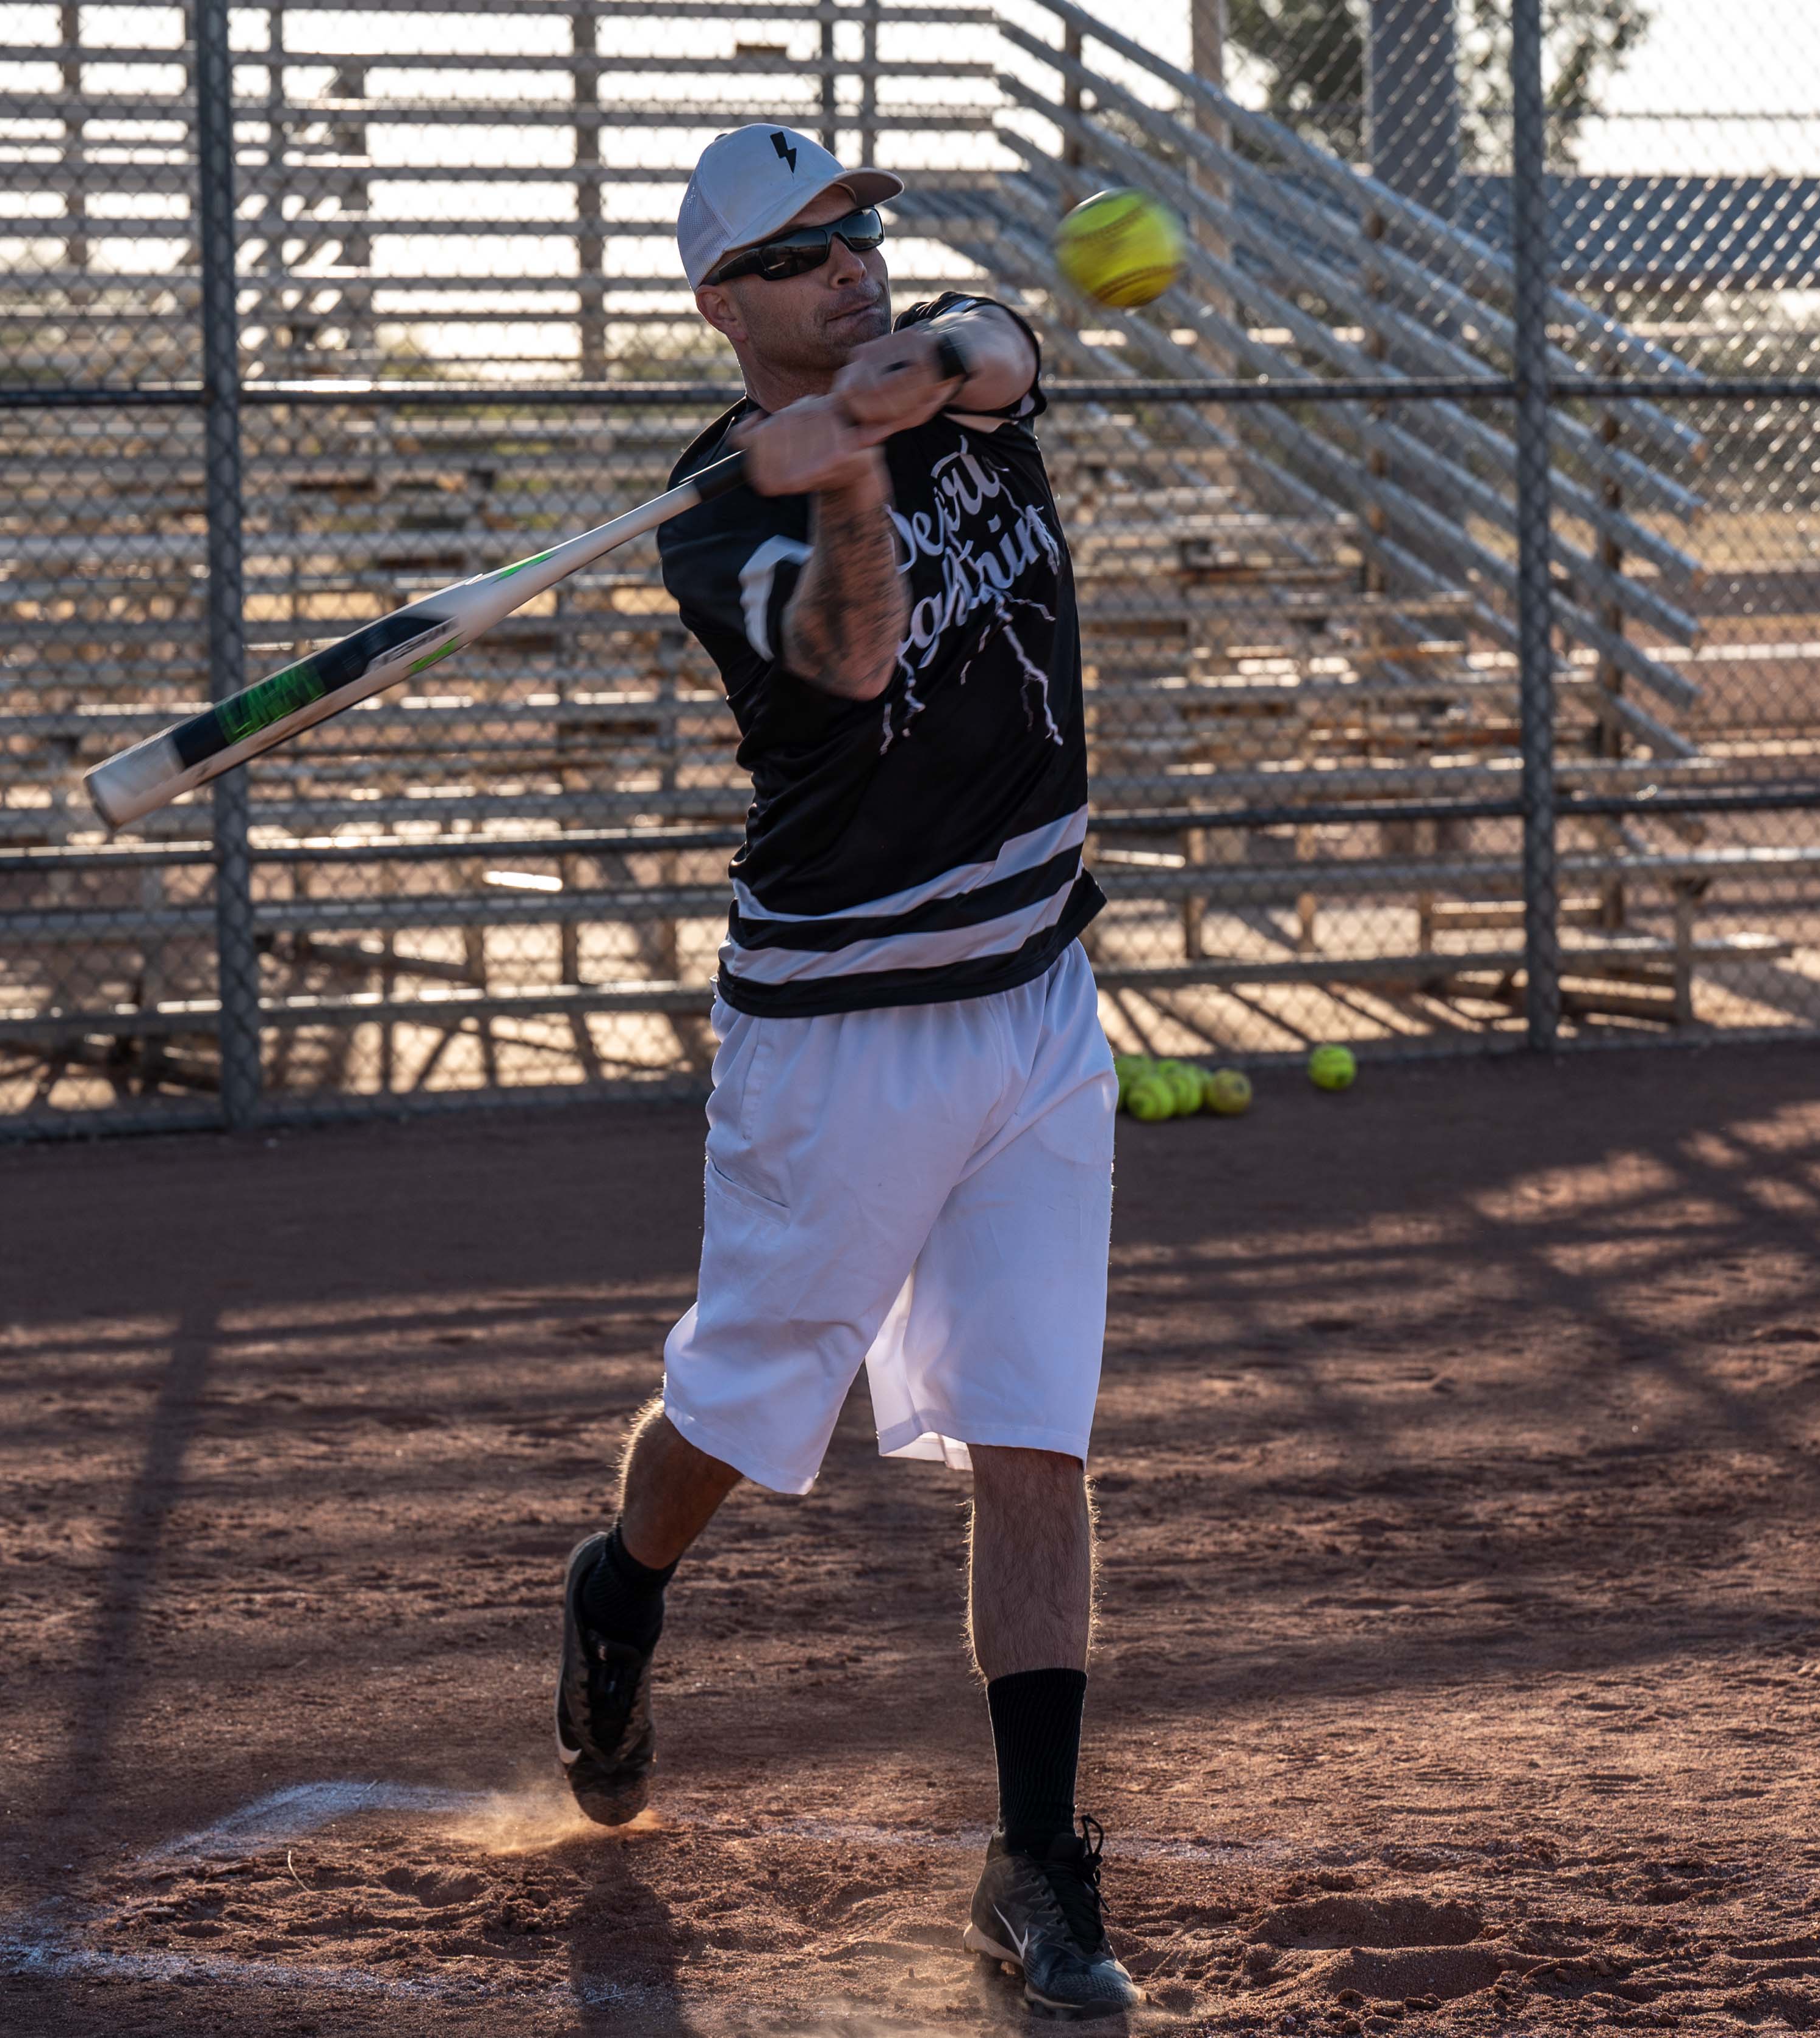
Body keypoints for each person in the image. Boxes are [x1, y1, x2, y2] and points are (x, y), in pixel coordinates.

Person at [550, 123, 1137, 2018]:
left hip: (1039, 993)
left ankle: (1038, 1867)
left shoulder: (953, 373)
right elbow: (853, 655)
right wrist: (842, 480)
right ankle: (622, 1584)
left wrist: (901, 393)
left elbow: (1004, 347)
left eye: (858, 235)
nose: (850, 270)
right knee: (745, 1400)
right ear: (724, 307)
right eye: (803, 256)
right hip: (840, 1030)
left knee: (1034, 1432)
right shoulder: (720, 511)